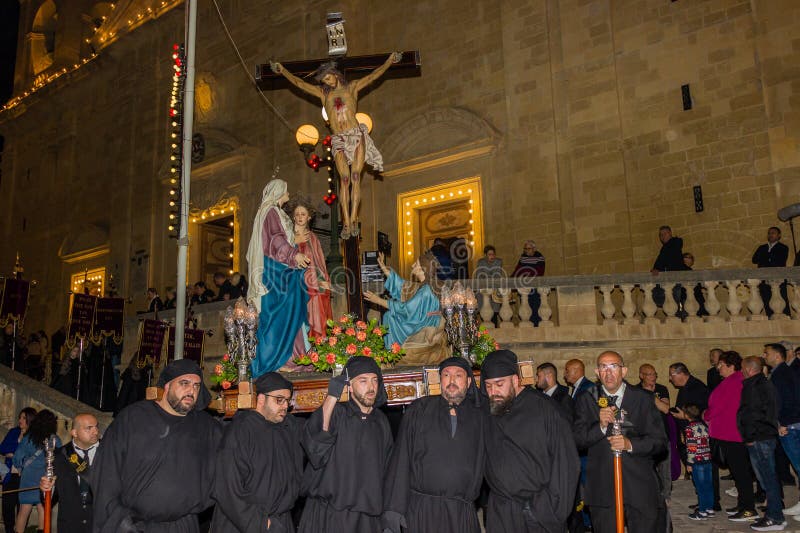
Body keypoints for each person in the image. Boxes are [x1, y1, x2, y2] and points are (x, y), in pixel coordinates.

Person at [271, 52, 401, 239]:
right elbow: (300, 84)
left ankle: (354, 219)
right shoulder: (324, 94)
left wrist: (389, 62)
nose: (327, 82)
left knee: (355, 177)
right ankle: (346, 223)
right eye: (324, 80)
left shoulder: (352, 88)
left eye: (328, 78)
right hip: (338, 139)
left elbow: (373, 76)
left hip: (355, 136)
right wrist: (283, 71)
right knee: (345, 180)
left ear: (335, 74)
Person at [92, 359, 222, 532]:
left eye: (196, 386)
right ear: (167, 385)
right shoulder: (133, 418)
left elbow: (229, 470)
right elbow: (106, 473)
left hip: (183, 526)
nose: (191, 391)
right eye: (184, 383)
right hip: (135, 526)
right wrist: (119, 520)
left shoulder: (207, 428)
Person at [383, 356, 487, 533]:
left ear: (469, 381)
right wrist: (393, 510)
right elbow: (401, 458)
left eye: (458, 375)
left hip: (461, 513)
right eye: (446, 375)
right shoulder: (419, 409)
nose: (451, 380)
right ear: (440, 380)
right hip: (422, 511)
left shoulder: (480, 416)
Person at [482, 350, 580, 532]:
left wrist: (546, 510)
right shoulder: (491, 409)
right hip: (501, 512)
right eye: (488, 386)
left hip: (537, 513)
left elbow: (566, 463)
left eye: (499, 384)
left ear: (515, 380)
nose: (493, 392)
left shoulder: (546, 409)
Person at [573, 351, 668, 533]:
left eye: (613, 366)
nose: (608, 372)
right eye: (603, 367)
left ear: (624, 371)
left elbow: (660, 442)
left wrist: (630, 445)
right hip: (603, 485)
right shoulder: (587, 399)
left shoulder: (643, 398)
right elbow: (577, 440)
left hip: (639, 483)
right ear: (597, 372)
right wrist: (600, 426)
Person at [299, 356, 393, 533]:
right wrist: (331, 397)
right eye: (363, 381)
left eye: (374, 380)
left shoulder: (381, 422)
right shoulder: (337, 414)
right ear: (349, 386)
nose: (371, 387)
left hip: (368, 519)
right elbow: (316, 450)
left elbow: (388, 471)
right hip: (330, 517)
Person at [211, 372, 304, 532]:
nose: (285, 406)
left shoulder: (286, 428)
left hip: (280, 521)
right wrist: (261, 523)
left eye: (287, 401)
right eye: (279, 399)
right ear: (261, 399)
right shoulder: (241, 430)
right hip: (245, 524)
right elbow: (227, 487)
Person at [246, 179, 311, 376]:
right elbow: (276, 240)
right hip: (274, 271)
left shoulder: (274, 212)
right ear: (279, 192)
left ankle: (294, 356)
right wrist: (294, 255)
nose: (288, 194)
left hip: (278, 267)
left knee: (291, 306)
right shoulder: (271, 211)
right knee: (279, 312)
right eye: (286, 190)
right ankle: (276, 360)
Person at [704, 350, 757, 521]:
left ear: (731, 366)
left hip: (732, 434)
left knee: (741, 473)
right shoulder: (734, 380)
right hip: (730, 433)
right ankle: (743, 504)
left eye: (721, 364)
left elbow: (717, 407)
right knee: (738, 472)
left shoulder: (733, 382)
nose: (718, 368)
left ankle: (748, 509)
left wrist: (705, 415)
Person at [738, 355, 787, 531]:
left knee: (768, 478)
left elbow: (752, 414)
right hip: (763, 436)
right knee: (767, 478)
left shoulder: (755, 386)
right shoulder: (762, 383)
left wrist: (750, 437)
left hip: (759, 438)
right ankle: (775, 514)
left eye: (742, 368)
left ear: (749, 369)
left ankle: (775, 517)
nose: (741, 371)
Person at [363, 251, 441, 350]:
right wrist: (383, 267)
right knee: (389, 315)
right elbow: (402, 286)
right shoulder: (426, 285)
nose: (412, 265)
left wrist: (378, 300)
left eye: (416, 264)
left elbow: (405, 309)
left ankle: (393, 350)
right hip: (420, 322)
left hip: (420, 327)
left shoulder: (425, 291)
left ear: (423, 269)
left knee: (389, 317)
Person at [39, 413, 100, 533]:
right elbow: (50, 499)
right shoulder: (59, 456)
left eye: (96, 426)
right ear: (74, 433)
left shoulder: (109, 452)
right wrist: (47, 489)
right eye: (89, 428)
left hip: (100, 526)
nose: (96, 431)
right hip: (69, 526)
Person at [286, 196, 332, 340]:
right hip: (293, 281)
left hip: (312, 282)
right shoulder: (287, 235)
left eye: (303, 214)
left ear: (309, 217)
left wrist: (323, 279)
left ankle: (316, 344)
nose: (300, 217)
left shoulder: (313, 238)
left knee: (316, 312)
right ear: (293, 217)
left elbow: (319, 262)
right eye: (297, 214)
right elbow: (282, 254)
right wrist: (295, 241)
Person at [764, 343, 800, 517]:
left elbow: (789, 399)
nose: (764, 356)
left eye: (767, 353)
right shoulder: (781, 372)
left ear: (777, 356)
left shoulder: (782, 374)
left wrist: (783, 423)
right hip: (789, 425)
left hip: (790, 427)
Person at [12, 409, 60, 533]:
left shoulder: (28, 438)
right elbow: (59, 460)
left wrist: (20, 468)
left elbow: (17, 457)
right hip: (45, 479)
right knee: (43, 510)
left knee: (23, 512)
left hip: (28, 477)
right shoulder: (55, 439)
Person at [0, 408, 35, 533]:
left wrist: (13, 454)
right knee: (7, 506)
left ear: (30, 419)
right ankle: (9, 530)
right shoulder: (13, 432)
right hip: (11, 475)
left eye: (24, 418)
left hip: (26, 477)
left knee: (23, 508)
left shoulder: (34, 436)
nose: (20, 420)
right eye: (20, 417)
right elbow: (2, 448)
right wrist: (16, 453)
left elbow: (32, 455)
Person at [683, 404, 714, 520]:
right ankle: (709, 508)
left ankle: (702, 511)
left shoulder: (689, 428)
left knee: (700, 487)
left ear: (686, 415)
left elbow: (692, 447)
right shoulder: (704, 426)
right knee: (708, 485)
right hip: (707, 459)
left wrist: (689, 463)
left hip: (697, 461)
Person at [752, 226, 790, 317]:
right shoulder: (762, 247)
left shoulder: (783, 247)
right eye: (769, 233)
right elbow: (754, 259)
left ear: (779, 235)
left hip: (778, 279)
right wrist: (768, 258)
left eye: (773, 233)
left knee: (782, 300)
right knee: (767, 300)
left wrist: (766, 257)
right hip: (764, 279)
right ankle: (770, 319)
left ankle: (786, 319)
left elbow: (779, 261)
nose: (770, 235)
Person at [511, 240, 545, 326]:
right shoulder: (523, 257)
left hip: (534, 286)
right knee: (525, 305)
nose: (526, 251)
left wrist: (527, 274)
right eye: (525, 249)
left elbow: (540, 272)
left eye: (528, 249)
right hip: (524, 286)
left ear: (534, 249)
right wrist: (511, 279)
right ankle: (529, 325)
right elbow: (518, 269)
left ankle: (536, 326)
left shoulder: (539, 257)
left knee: (535, 305)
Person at [473, 245, 505, 326]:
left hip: (494, 289)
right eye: (490, 254)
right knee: (484, 311)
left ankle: (495, 328)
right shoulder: (481, 262)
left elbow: (497, 275)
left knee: (494, 312)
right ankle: (485, 330)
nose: (492, 256)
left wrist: (488, 278)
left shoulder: (498, 261)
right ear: (485, 255)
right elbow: (479, 276)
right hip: (484, 289)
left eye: (493, 254)